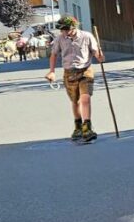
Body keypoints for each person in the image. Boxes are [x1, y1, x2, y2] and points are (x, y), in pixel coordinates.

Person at [45, 15, 104, 143]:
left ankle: (87, 127)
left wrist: (99, 56)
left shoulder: (86, 36)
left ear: (74, 27)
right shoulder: (59, 39)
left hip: (85, 71)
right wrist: (52, 72)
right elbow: (54, 55)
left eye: (67, 29)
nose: (65, 32)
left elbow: (95, 52)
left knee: (85, 98)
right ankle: (77, 127)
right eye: (62, 30)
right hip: (69, 73)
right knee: (75, 101)